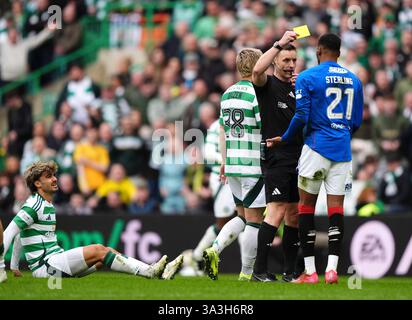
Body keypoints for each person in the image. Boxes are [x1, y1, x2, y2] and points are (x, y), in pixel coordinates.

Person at [268, 33, 364, 284]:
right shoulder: (354, 80)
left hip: (315, 148)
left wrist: (286, 138)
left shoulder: (308, 77)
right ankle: (332, 270)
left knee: (305, 209)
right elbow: (356, 122)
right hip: (342, 152)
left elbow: (300, 116)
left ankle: (310, 273)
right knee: (336, 211)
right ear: (339, 53)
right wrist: (339, 132)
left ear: (319, 50)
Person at [0, 160, 183, 279]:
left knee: (106, 252)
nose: (55, 179)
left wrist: (15, 266)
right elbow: (9, 233)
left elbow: (19, 235)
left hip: (53, 262)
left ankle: (158, 273)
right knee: (98, 250)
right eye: (49, 177)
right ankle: (150, 272)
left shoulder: (45, 204)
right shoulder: (34, 205)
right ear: (38, 184)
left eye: (54, 175)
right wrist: (2, 267)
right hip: (47, 266)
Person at [203, 48, 266, 281]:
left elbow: (222, 128)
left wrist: (225, 161)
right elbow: (264, 127)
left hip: (233, 165)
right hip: (253, 164)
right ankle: (246, 274)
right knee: (254, 220)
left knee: (241, 216)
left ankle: (215, 249)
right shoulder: (257, 93)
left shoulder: (228, 93)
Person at [251, 30, 302, 282]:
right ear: (275, 61)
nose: (290, 65)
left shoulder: (299, 87)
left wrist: (304, 88)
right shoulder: (267, 85)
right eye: (285, 60)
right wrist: (278, 44)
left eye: (293, 60)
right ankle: (258, 271)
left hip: (300, 157)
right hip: (276, 156)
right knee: (276, 210)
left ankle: (290, 272)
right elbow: (256, 72)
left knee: (294, 213)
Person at [188, 118, 237, 273]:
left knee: (248, 219)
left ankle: (250, 267)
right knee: (223, 223)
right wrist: (228, 161)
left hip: (244, 176)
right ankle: (197, 257)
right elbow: (208, 154)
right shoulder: (216, 125)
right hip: (222, 179)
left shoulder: (247, 119)